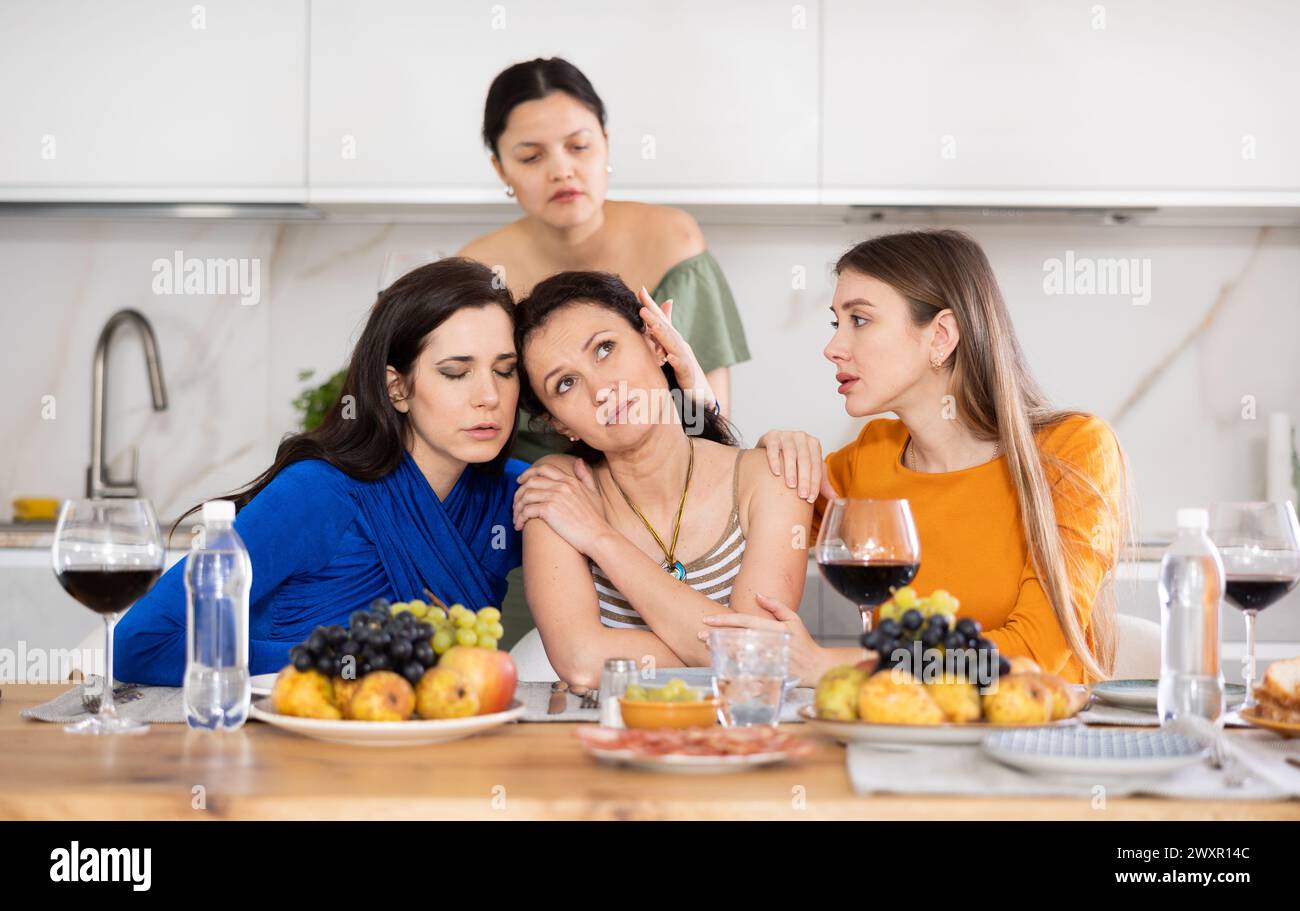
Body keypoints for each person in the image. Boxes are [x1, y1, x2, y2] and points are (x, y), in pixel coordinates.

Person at [710, 230, 1129, 685]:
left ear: (941, 336)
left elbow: (1031, 654)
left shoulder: (1074, 449)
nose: (833, 348)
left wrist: (830, 665)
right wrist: (762, 450)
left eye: (861, 320)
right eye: (837, 323)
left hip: (1041, 743)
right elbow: (724, 527)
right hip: (903, 734)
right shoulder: (870, 456)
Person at [113, 259, 525, 686]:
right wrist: (342, 662)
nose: (489, 396)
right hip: (288, 742)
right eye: (456, 373)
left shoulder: (518, 494)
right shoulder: (315, 495)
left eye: (505, 370)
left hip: (437, 743)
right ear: (396, 388)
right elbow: (142, 642)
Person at [457, 57, 753, 648]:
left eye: (579, 145)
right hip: (534, 514)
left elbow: (708, 421)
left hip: (669, 514)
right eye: (531, 155)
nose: (562, 170)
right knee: (528, 682)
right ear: (500, 168)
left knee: (710, 653)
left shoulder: (670, 239)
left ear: (607, 143)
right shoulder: (477, 273)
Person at [506, 271, 812, 687]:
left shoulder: (772, 476)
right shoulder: (559, 488)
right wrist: (724, 653)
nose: (600, 389)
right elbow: (579, 660)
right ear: (559, 424)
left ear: (655, 343)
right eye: (565, 383)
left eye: (605, 349)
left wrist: (599, 538)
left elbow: (757, 657)